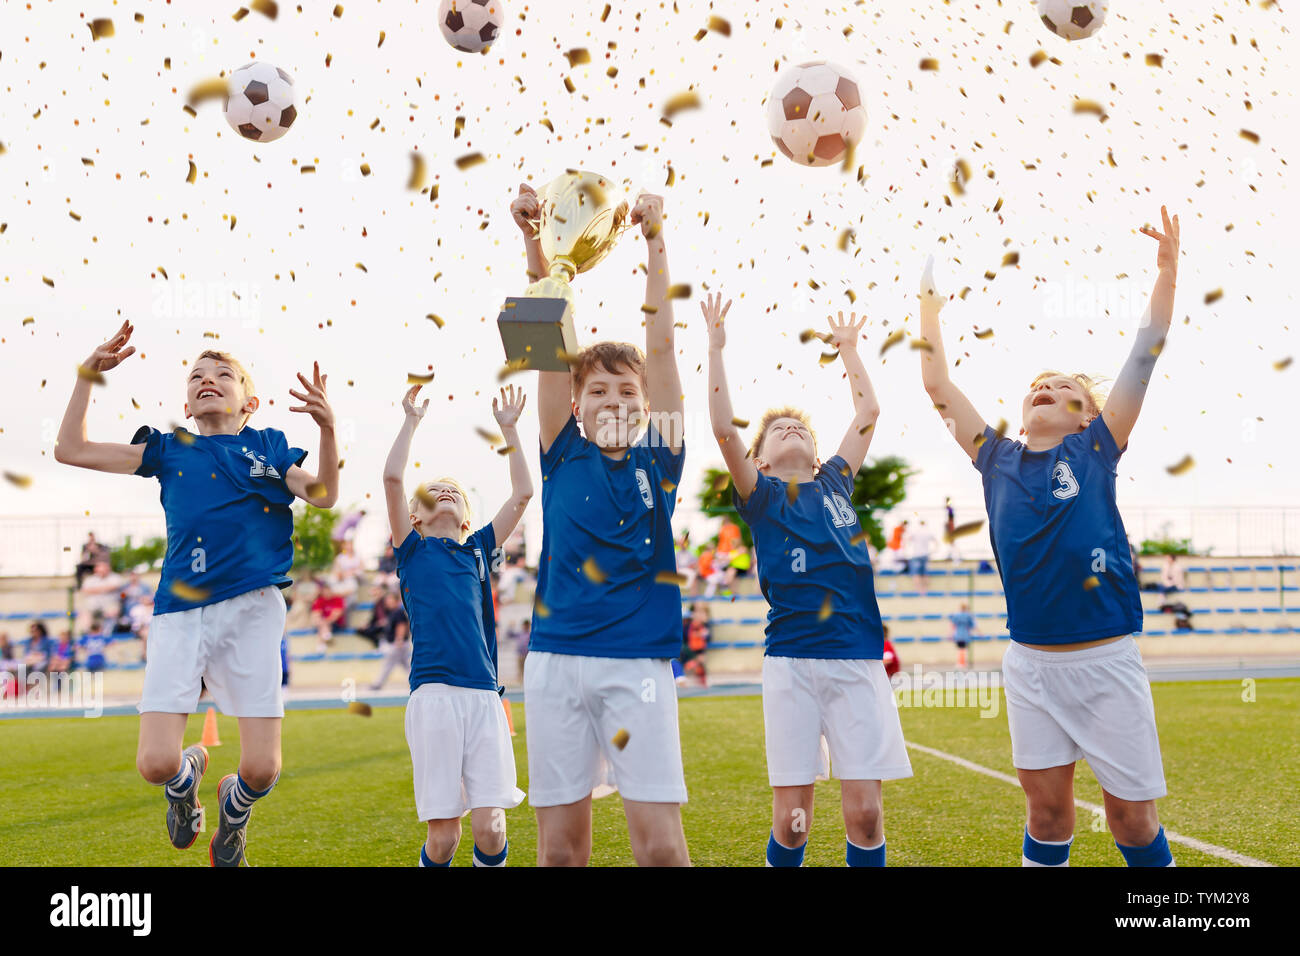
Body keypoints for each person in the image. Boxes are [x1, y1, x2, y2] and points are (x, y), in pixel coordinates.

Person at [917, 205, 1181, 868]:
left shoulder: (1097, 448)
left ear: (1089, 414)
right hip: (1030, 664)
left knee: (1130, 820)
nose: (1047, 387)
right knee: (1049, 812)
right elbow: (937, 384)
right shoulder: (996, 456)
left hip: (1106, 661)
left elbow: (1146, 347)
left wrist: (1168, 273)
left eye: (1064, 387)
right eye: (1038, 384)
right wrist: (928, 311)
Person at [54, 321, 339, 866]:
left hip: (254, 611)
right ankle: (184, 784)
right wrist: (88, 375)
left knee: (261, 771)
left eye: (223, 374)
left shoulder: (271, 447)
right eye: (196, 376)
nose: (207, 380)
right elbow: (70, 449)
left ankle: (234, 811)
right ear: (186, 404)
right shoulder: (168, 450)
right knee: (155, 765)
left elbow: (324, 494)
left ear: (249, 402)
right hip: (179, 614)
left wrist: (328, 430)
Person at [513, 181, 690, 866]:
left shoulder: (662, 456)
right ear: (577, 405)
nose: (612, 397)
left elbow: (665, 352)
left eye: (626, 389)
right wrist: (535, 241)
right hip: (555, 662)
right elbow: (547, 342)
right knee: (559, 852)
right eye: (597, 389)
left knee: (661, 849)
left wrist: (655, 240)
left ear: (646, 405)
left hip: (638, 667)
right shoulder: (560, 450)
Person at [704, 296, 911, 868]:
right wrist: (717, 347)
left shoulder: (836, 485)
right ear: (762, 462)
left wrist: (849, 351)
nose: (790, 428)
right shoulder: (764, 496)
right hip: (793, 663)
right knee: (793, 825)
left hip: (857, 659)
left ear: (818, 456)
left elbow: (868, 412)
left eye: (799, 427)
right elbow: (723, 429)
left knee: (866, 815)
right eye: (777, 431)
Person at [384, 382, 532, 867]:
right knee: (444, 838)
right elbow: (391, 478)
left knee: (491, 828)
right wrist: (410, 422)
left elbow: (524, 492)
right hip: (433, 697)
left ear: (467, 518)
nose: (445, 491)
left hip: (484, 696)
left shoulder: (477, 552)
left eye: (454, 492)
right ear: (414, 517)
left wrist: (509, 430)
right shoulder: (413, 550)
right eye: (434, 492)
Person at [368, 591, 411, 691]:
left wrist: (399, 639)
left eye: (390, 600)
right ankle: (414, 680)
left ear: (396, 601)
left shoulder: (398, 612)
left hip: (397, 644)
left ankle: (378, 684)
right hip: (398, 644)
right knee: (406, 665)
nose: (388, 602)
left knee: (388, 665)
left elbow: (401, 626)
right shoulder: (392, 612)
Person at [77, 560, 125, 632]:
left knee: (112, 612)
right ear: (96, 569)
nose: (102, 571)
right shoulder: (90, 579)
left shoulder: (115, 577)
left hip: (110, 604)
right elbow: (84, 590)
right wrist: (105, 589)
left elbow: (115, 588)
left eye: (105, 568)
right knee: (84, 613)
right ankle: (88, 633)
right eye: (100, 569)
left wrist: (94, 590)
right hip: (93, 605)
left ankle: (105, 634)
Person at [310, 579, 347, 651]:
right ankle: (326, 635)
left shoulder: (338, 599)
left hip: (336, 624)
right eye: (325, 590)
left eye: (328, 590)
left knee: (324, 625)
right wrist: (322, 622)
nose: (326, 592)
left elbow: (336, 615)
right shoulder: (319, 600)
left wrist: (324, 622)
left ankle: (321, 643)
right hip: (322, 624)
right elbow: (316, 615)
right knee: (321, 624)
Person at [901, 520, 936, 594]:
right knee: (925, 574)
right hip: (926, 555)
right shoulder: (928, 532)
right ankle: (925, 591)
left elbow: (907, 540)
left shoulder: (916, 531)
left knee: (916, 574)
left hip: (916, 555)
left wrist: (905, 550)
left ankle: (918, 591)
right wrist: (933, 551)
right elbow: (936, 542)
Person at [949, 601, 977, 670]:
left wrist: (951, 634)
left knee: (960, 649)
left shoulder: (956, 615)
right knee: (963, 649)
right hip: (965, 634)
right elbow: (972, 625)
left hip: (958, 634)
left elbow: (953, 625)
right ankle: (962, 662)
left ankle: (961, 663)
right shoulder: (968, 615)